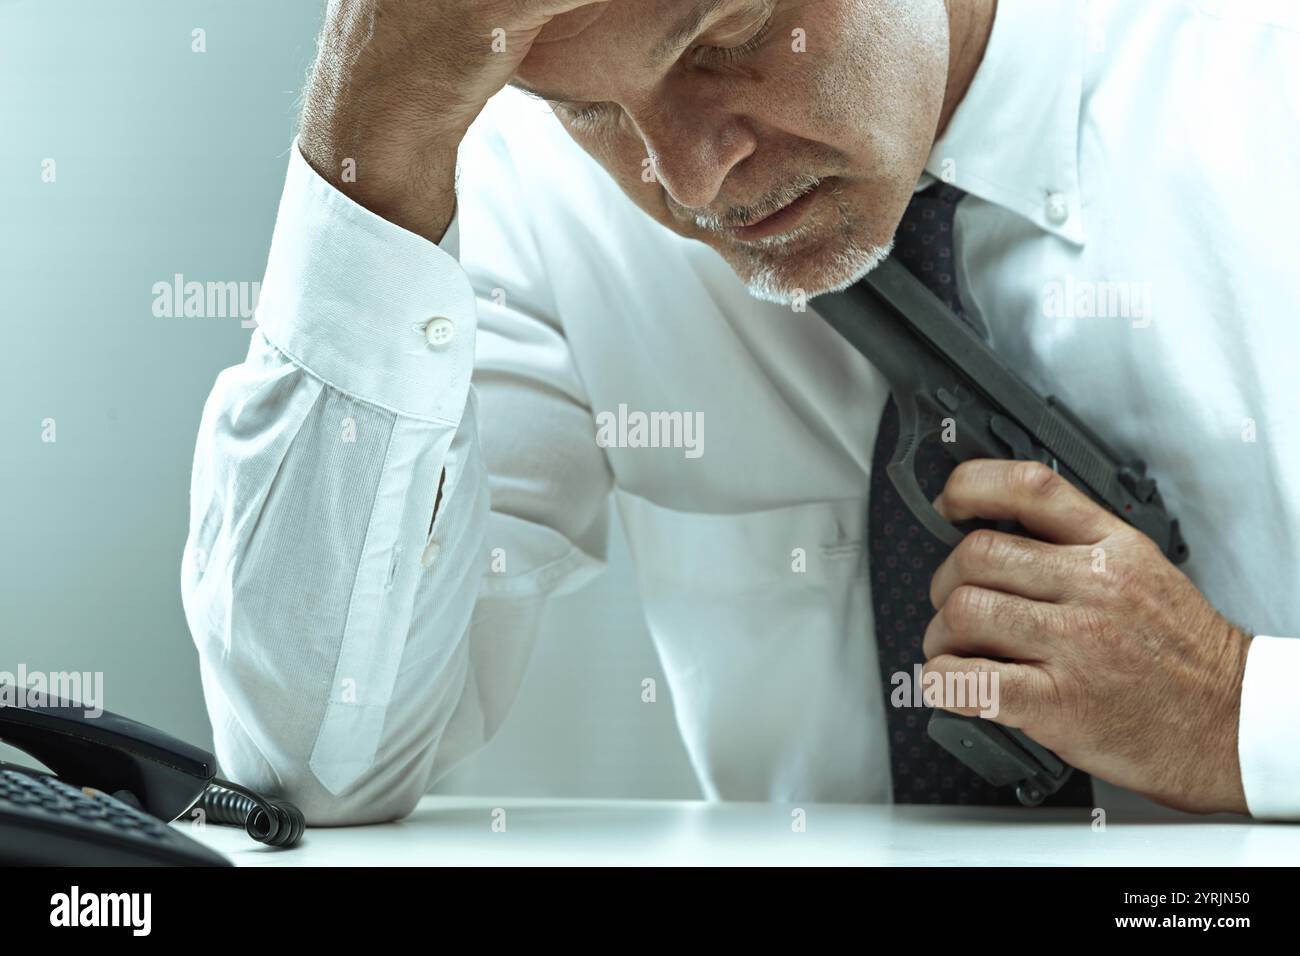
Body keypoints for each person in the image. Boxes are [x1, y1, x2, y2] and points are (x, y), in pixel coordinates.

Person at [181, 0, 1300, 823]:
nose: (689, 179)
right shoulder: (534, 196)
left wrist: (1235, 712)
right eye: (587, 108)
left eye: (726, 40)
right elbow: (319, 764)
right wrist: (367, 136)